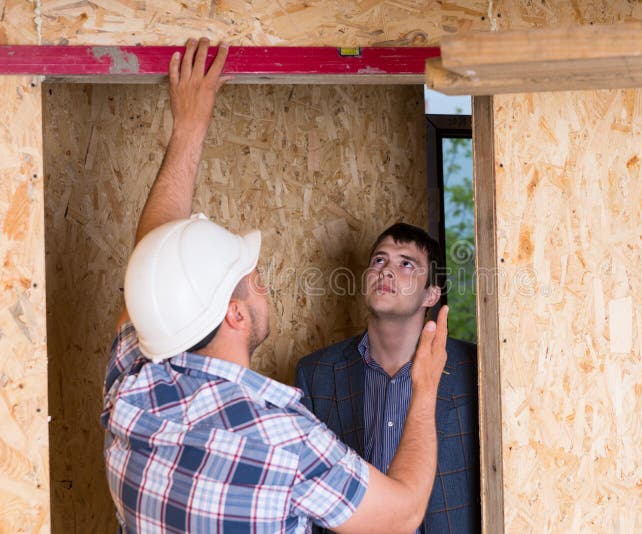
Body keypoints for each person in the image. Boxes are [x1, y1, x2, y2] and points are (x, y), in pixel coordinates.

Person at [101, 37, 450, 533]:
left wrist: (190, 123)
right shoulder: (283, 442)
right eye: (255, 281)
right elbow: (402, 515)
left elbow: (154, 268)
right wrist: (426, 387)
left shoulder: (134, 390)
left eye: (408, 265)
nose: (265, 287)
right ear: (235, 315)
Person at [296, 223, 480, 533]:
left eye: (406, 263)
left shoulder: (473, 369)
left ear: (431, 294)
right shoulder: (316, 373)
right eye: (379, 260)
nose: (386, 271)